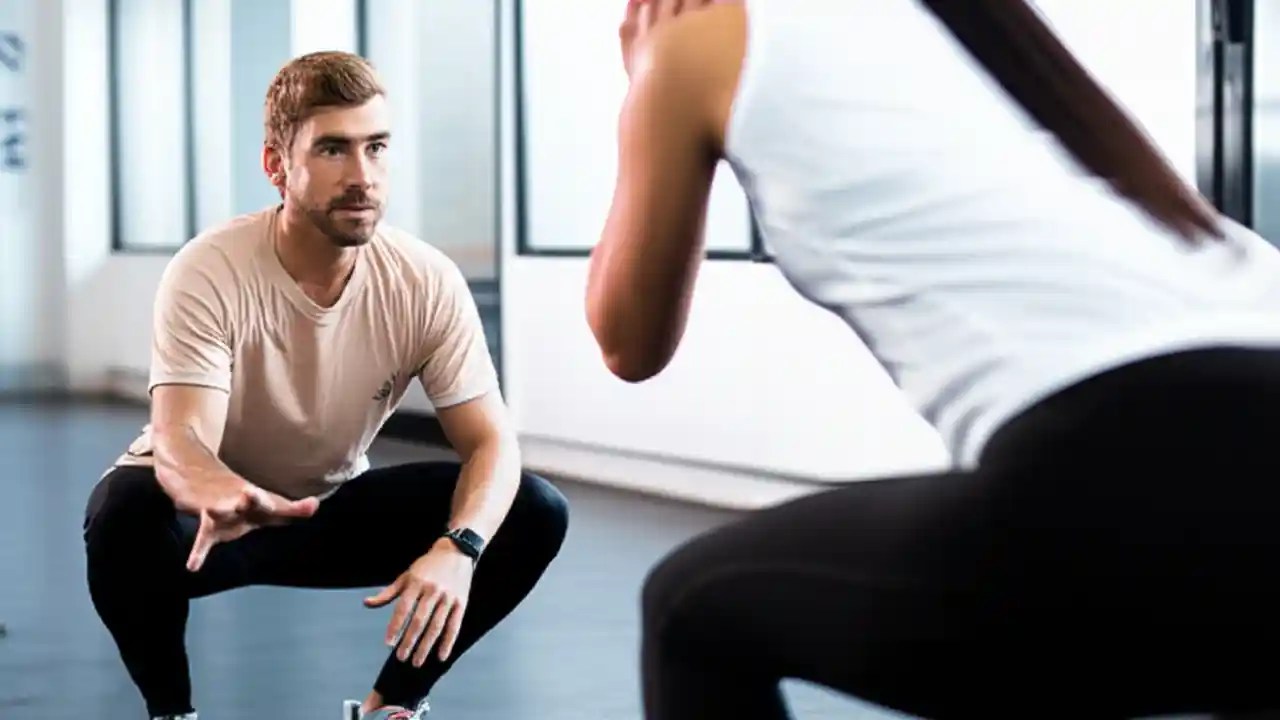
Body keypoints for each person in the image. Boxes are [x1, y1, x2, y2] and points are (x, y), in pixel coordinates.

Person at [588, 1, 1280, 718]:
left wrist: (647, 80)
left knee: (692, 612)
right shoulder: (987, 23)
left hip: (1127, 456)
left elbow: (626, 341)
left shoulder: (701, 36)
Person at [83, 51, 569, 720]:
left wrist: (460, 548)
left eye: (376, 148)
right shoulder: (211, 269)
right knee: (121, 512)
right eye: (334, 150)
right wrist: (218, 490)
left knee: (532, 509)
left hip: (327, 512)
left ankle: (391, 707)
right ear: (277, 166)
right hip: (208, 524)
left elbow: (493, 442)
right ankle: (172, 712)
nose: (363, 176)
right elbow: (180, 435)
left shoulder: (423, 280)